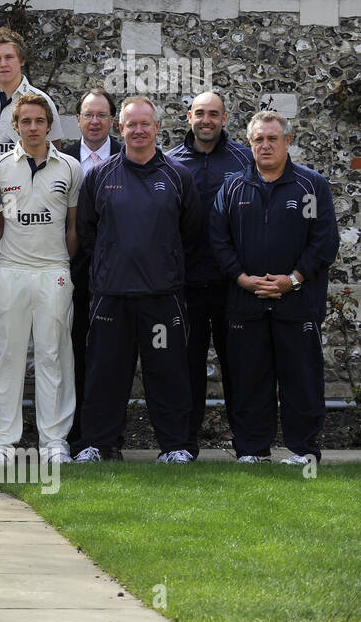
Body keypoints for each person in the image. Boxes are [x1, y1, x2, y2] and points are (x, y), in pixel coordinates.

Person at [72, 95, 204, 464]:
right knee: (105, 373)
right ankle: (99, 444)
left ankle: (175, 446)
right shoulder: (100, 176)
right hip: (111, 295)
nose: (139, 130)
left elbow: (190, 235)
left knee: (168, 374)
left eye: (146, 123)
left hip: (162, 298)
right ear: (121, 128)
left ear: (158, 128)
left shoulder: (178, 176)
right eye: (132, 124)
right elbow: (87, 233)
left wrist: (166, 267)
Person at [211, 111, 339, 465]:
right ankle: (252, 450)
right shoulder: (233, 188)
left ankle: (303, 451)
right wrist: (242, 279)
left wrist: (293, 280)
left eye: (272, 138)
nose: (265, 145)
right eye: (258, 140)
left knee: (302, 382)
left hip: (298, 304)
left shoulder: (312, 187)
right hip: (245, 303)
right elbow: (219, 241)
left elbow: (324, 242)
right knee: (250, 382)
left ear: (287, 141)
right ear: (249, 144)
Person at [0, 94, 82, 465]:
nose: (33, 128)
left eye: (40, 121)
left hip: (53, 271)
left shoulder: (70, 168)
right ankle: (1, 441)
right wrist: (9, 256)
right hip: (10, 270)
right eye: (26, 121)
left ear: (49, 125)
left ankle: (54, 441)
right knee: (6, 352)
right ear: (16, 125)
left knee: (53, 354)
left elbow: (73, 228)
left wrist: (58, 262)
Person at [0, 28, 64, 362]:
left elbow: (55, 154)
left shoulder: (40, 101)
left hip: (28, 204)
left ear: (21, 60)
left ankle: (32, 356)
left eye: (9, 57)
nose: (3, 63)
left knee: (27, 280)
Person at [167, 90, 252, 457]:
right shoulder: (169, 162)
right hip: (185, 283)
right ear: (189, 116)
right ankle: (185, 444)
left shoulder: (244, 160)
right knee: (187, 366)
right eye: (200, 113)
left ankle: (248, 444)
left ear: (225, 118)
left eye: (213, 114)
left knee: (240, 365)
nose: (206, 120)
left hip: (233, 283)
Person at [65, 87, 122, 441]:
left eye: (102, 115)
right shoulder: (64, 161)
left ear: (113, 121)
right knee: (74, 353)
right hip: (75, 272)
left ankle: (110, 437)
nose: (96, 121)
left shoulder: (132, 157)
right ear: (78, 120)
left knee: (113, 357)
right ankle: (75, 434)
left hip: (120, 273)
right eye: (89, 115)